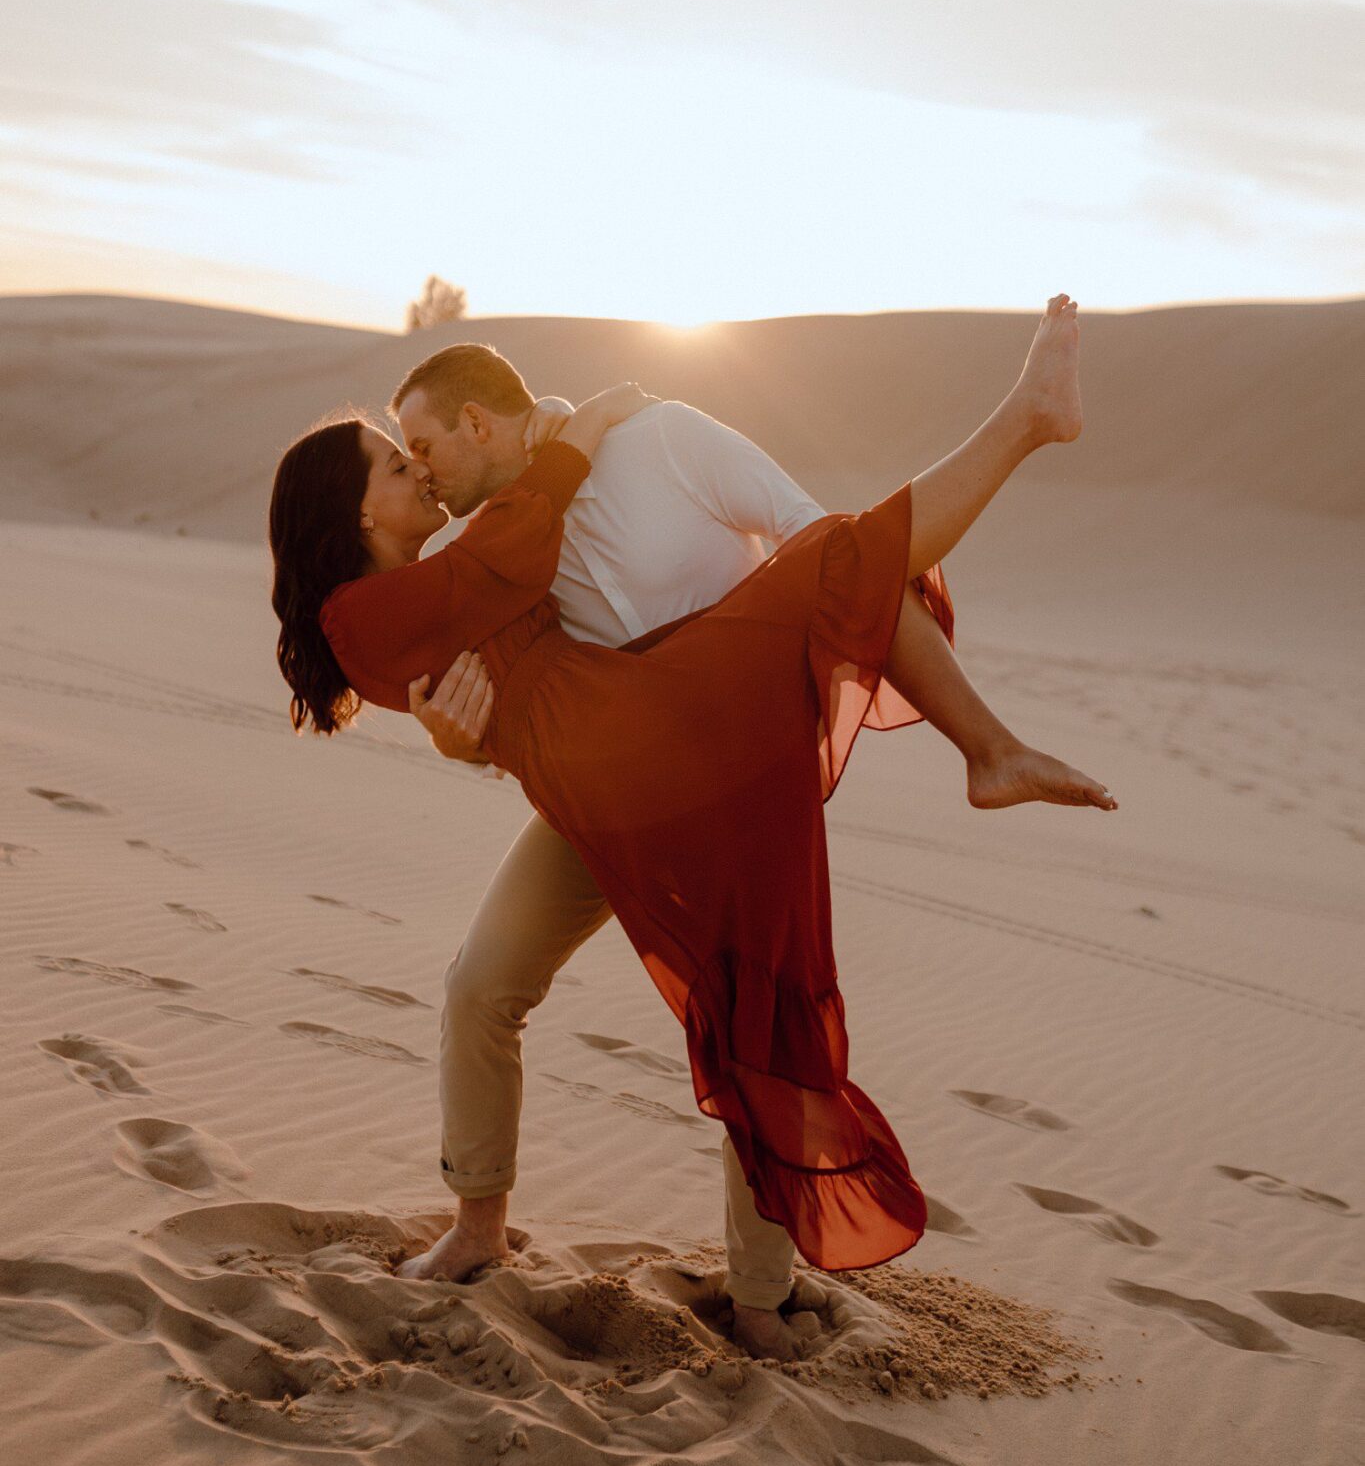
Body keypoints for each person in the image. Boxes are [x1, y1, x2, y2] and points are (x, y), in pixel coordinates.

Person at [269, 295, 1116, 1360]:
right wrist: (583, 423)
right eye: (398, 464)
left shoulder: (493, 530)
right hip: (601, 777)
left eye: (418, 447)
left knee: (752, 991)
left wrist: (579, 421)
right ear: (350, 513)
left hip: (657, 741)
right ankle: (479, 1226)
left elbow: (513, 569)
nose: (418, 470)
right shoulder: (383, 605)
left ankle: (758, 1291)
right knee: (483, 984)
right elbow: (514, 569)